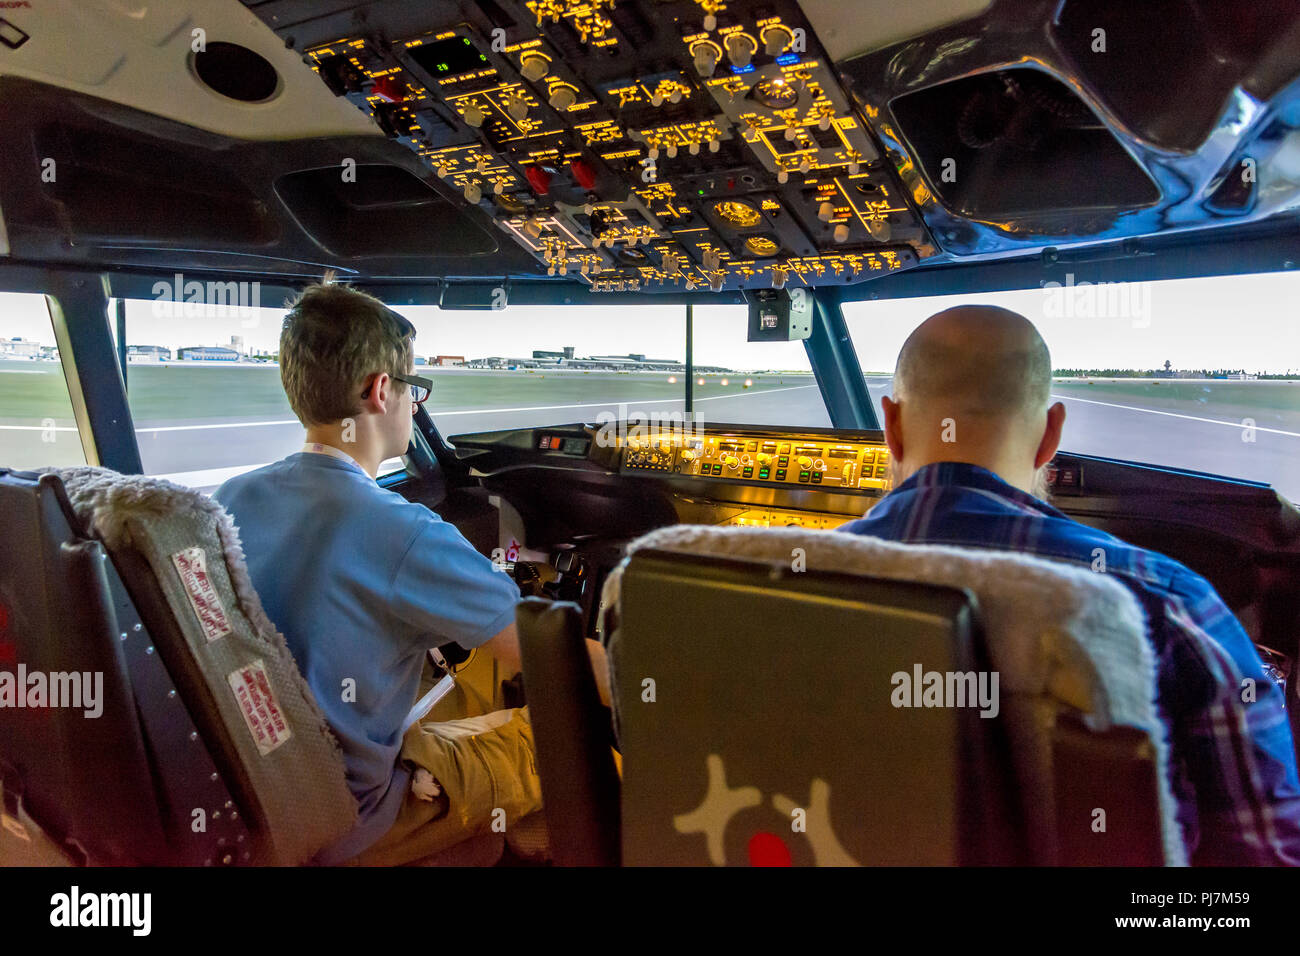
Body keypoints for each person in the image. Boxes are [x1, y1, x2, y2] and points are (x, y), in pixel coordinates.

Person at [839, 304, 1300, 865]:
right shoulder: (1169, 602)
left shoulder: (781, 587)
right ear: (1051, 435)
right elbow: (1264, 856)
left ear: (889, 426)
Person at [213, 279, 609, 865]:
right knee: (564, 739)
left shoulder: (229, 497)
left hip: (257, 782)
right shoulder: (403, 532)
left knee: (477, 692)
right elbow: (555, 656)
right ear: (381, 391)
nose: (413, 402)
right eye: (413, 387)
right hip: (351, 813)